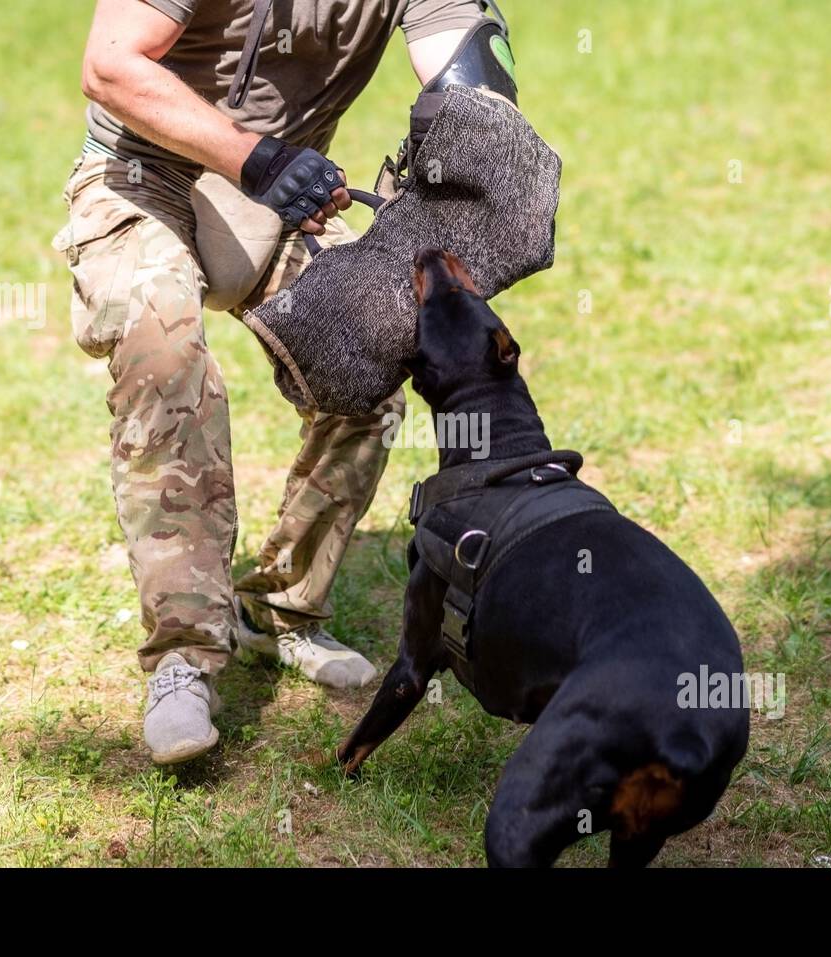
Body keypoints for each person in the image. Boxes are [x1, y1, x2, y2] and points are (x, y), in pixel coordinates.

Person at [53, 0, 509, 764]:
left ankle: (282, 609)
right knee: (165, 358)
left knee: (375, 357)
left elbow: (465, 73)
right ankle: (182, 659)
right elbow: (109, 64)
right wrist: (257, 159)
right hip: (143, 173)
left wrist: (482, 151)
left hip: (281, 197)